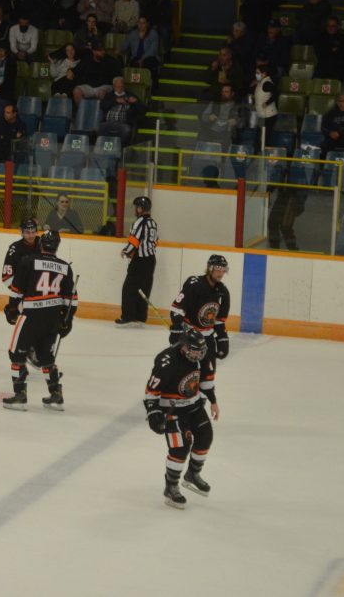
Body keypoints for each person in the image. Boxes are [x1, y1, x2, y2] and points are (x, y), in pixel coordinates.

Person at [3, 230, 77, 411]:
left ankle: (20, 394)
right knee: (46, 356)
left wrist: (12, 310)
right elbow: (71, 301)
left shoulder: (28, 262)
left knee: (16, 354)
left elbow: (16, 291)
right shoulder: (65, 267)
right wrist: (66, 320)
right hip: (52, 319)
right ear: (57, 246)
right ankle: (56, 395)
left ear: (41, 243)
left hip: (30, 317)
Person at [144, 328, 218, 509]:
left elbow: (205, 382)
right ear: (183, 347)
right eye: (194, 350)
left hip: (194, 406)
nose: (198, 355)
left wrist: (213, 401)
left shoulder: (203, 356)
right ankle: (171, 487)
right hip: (172, 410)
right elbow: (151, 393)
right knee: (180, 447)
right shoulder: (166, 361)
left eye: (200, 351)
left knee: (205, 436)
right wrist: (154, 415)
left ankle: (192, 474)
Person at [168, 254, 231, 391]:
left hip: (207, 339)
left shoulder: (223, 292)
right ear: (210, 268)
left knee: (207, 375)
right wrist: (177, 329)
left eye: (223, 270)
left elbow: (219, 321)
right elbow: (176, 309)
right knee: (184, 372)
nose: (220, 273)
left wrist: (222, 339)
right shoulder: (194, 284)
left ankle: (198, 406)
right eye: (218, 269)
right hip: (190, 335)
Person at [117, 196, 158, 326]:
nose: (135, 209)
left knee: (129, 288)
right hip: (151, 260)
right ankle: (140, 318)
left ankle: (128, 317)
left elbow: (134, 240)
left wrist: (126, 251)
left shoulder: (139, 222)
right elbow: (156, 241)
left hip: (139, 261)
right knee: (144, 288)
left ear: (140, 208)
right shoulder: (153, 223)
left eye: (136, 207)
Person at [2, 218, 41, 324]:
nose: (31, 235)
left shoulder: (42, 244)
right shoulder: (15, 248)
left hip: (40, 288)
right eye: (27, 232)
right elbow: (6, 276)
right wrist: (22, 291)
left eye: (33, 232)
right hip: (22, 290)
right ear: (21, 232)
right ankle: (13, 308)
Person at [98, 76, 143, 143]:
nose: (120, 89)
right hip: (108, 122)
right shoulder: (109, 95)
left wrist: (136, 102)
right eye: (117, 87)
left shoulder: (130, 95)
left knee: (126, 130)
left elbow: (142, 109)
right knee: (98, 129)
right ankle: (106, 147)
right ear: (114, 86)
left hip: (122, 123)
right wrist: (116, 101)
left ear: (124, 86)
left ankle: (119, 146)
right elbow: (102, 106)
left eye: (121, 86)